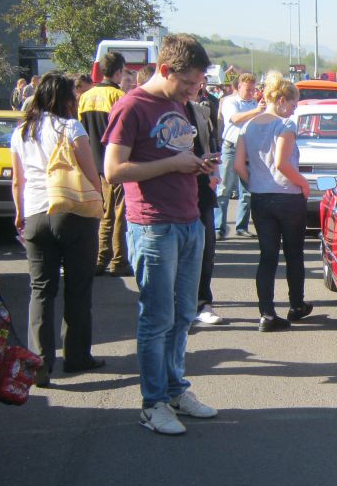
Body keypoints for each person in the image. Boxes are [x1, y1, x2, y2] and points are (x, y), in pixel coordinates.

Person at [103, 33, 219, 436]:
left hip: (188, 219)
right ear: (165, 70)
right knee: (157, 318)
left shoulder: (178, 103)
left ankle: (174, 389)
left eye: (197, 85)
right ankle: (153, 404)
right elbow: (113, 171)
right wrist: (174, 164)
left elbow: (174, 155)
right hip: (152, 224)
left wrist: (198, 164)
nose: (192, 92)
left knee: (184, 314)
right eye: (187, 83)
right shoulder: (132, 105)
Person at [10, 73, 104, 387]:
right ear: (66, 99)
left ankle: (39, 361)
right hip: (72, 210)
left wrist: (21, 214)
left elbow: (17, 180)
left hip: (35, 212)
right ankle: (76, 356)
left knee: (41, 290)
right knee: (78, 288)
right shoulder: (70, 127)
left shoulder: (21, 131)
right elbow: (89, 170)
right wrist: (99, 202)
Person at [233, 71, 311, 331]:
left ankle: (266, 312)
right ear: (280, 100)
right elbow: (281, 163)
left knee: (267, 256)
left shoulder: (248, 125)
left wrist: (253, 183)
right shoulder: (284, 125)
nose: (294, 109)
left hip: (260, 197)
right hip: (287, 196)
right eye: (293, 103)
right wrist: (302, 182)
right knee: (293, 254)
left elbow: (238, 166)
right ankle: (296, 304)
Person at [78, 51, 129, 276]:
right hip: (115, 163)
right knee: (119, 213)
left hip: (93, 162)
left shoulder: (86, 97)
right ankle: (118, 261)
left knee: (103, 213)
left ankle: (100, 257)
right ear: (118, 71)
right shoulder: (118, 96)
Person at [188, 84, 225, 326]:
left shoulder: (200, 112)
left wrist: (212, 169)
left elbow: (208, 146)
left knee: (205, 249)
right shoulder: (150, 110)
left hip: (201, 192)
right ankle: (180, 305)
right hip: (168, 198)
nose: (196, 88)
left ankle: (202, 302)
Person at [215, 73, 257, 239]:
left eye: (253, 90)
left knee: (247, 192)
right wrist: (256, 111)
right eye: (248, 89)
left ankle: (242, 227)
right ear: (239, 87)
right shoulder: (230, 102)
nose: (251, 93)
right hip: (231, 148)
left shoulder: (254, 104)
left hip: (248, 150)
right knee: (224, 189)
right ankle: (219, 227)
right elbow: (235, 119)